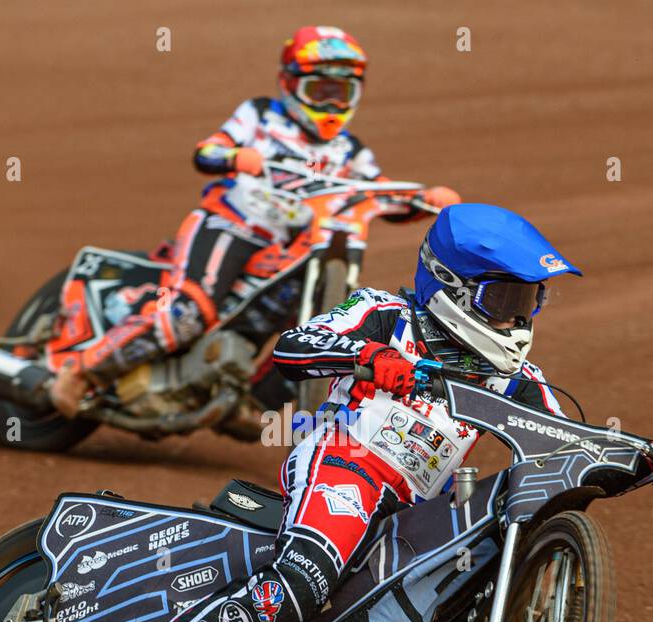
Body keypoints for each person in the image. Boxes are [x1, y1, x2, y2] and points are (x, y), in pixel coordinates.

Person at [87, 203, 653, 622]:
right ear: (452, 286)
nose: (520, 318)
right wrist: (367, 354)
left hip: (413, 508)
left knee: (478, 608)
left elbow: (568, 443)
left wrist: (649, 458)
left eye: (531, 300)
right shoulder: (388, 313)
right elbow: (293, 347)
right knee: (306, 578)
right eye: (506, 298)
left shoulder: (517, 377)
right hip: (343, 466)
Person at [48, 25, 459, 416]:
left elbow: (377, 191)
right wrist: (233, 156)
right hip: (232, 225)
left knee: (299, 318)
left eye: (342, 92)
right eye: (321, 91)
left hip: (291, 250)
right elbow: (208, 151)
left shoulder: (349, 150)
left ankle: (248, 400)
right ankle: (82, 372)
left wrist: (424, 198)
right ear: (290, 84)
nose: (332, 104)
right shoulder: (260, 116)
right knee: (190, 310)